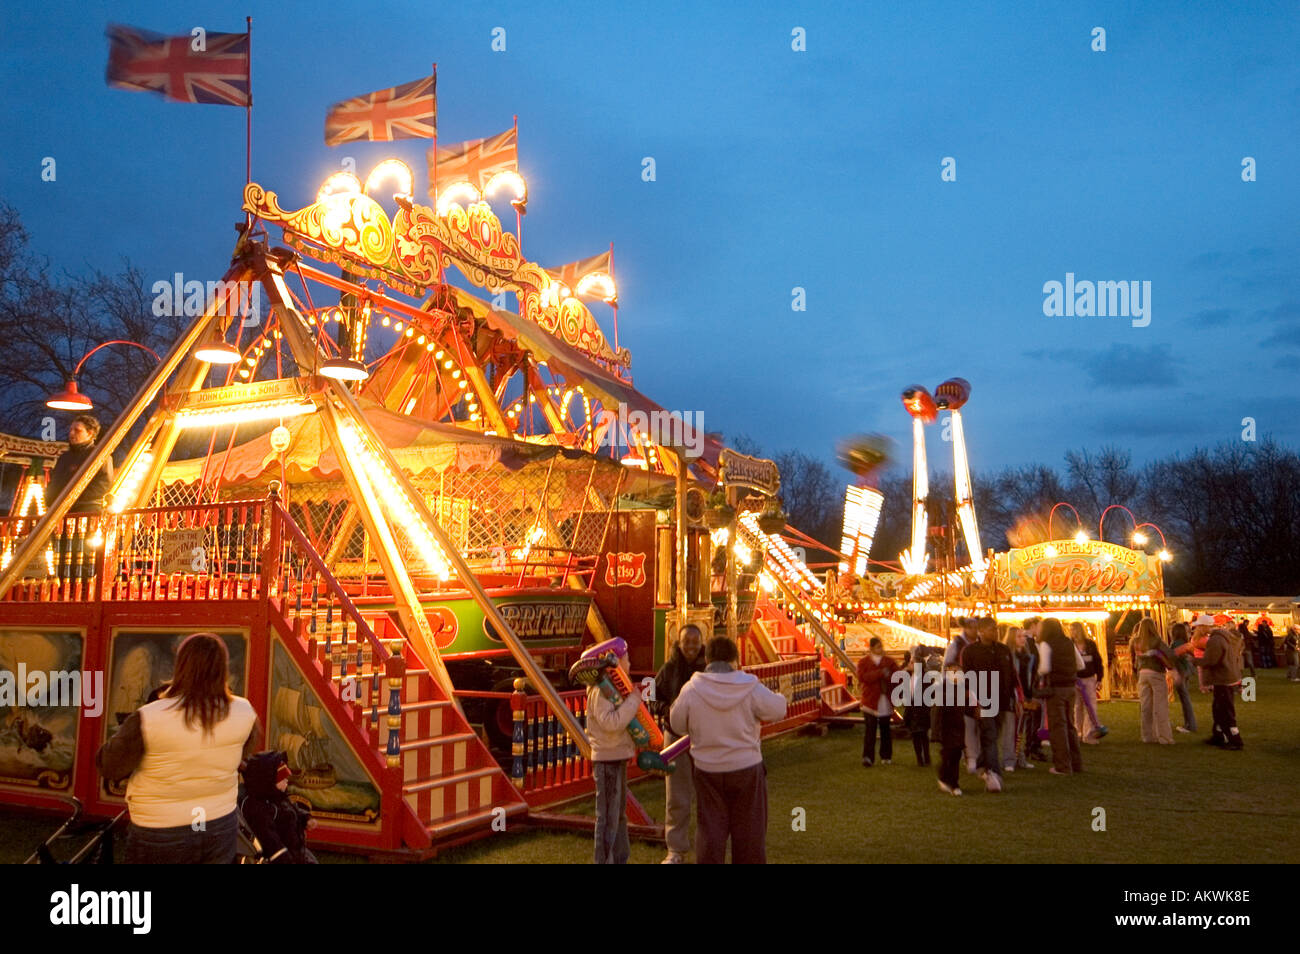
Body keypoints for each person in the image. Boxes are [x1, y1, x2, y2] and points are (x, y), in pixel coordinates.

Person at [96, 633, 260, 863]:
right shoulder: (245, 712)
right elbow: (240, 755)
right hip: (216, 822)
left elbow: (110, 766)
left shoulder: (150, 716)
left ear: (181, 666)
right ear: (222, 668)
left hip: (162, 827)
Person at [669, 635, 787, 864]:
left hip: (708, 768)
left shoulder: (693, 689)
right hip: (746, 766)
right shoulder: (749, 685)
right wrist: (782, 695)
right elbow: (777, 709)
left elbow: (676, 723)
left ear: (707, 658)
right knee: (749, 833)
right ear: (735, 658)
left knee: (711, 831)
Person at [651, 624, 706, 864]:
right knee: (677, 795)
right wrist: (666, 710)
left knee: (709, 794)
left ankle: (709, 846)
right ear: (679, 643)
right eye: (687, 643)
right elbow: (651, 697)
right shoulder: (668, 669)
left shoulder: (708, 670)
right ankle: (676, 849)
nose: (691, 648)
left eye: (695, 642)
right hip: (675, 737)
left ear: (701, 643)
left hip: (705, 738)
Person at [585, 641, 643, 864]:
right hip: (607, 759)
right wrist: (634, 701)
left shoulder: (611, 688)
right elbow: (611, 723)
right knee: (607, 816)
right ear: (614, 663)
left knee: (618, 815)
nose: (629, 663)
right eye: (626, 659)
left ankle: (619, 858)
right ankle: (604, 859)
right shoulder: (600, 690)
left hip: (616, 756)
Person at [960, 617, 1015, 792]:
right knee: (990, 735)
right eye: (992, 629)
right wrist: (974, 701)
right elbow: (967, 678)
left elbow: (1011, 675)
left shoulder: (1003, 650)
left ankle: (982, 764)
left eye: (996, 628)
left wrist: (1016, 698)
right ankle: (993, 773)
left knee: (992, 735)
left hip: (1003, 700)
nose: (995, 632)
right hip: (983, 701)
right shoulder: (970, 652)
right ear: (982, 631)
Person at [1037, 617, 1084, 776]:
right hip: (1070, 687)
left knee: (1058, 727)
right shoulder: (1069, 643)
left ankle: (1062, 765)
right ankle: (1076, 763)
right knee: (1070, 725)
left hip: (1055, 688)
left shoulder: (1046, 644)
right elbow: (1081, 665)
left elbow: (1044, 668)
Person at [45, 414, 115, 513]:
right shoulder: (64, 457)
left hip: (85, 511)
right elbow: (55, 481)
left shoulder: (100, 455)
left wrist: (76, 497)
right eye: (71, 430)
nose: (72, 433)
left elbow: (104, 484)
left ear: (90, 433)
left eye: (77, 430)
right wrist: (49, 497)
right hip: (58, 511)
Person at [1195, 625, 1244, 750]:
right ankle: (1219, 735)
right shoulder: (1224, 637)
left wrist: (1194, 660)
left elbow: (1211, 660)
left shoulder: (1215, 640)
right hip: (1226, 678)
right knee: (1218, 709)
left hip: (1222, 679)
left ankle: (1235, 740)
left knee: (1225, 710)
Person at [943, 618, 980, 774]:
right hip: (961, 689)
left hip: (980, 686)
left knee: (980, 723)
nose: (975, 631)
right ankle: (971, 757)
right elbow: (947, 667)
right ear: (966, 628)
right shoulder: (956, 646)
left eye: (976, 628)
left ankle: (977, 756)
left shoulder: (979, 644)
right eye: (972, 628)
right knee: (968, 723)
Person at [856, 636, 900, 767]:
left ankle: (886, 755)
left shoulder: (889, 661)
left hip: (884, 699)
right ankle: (868, 756)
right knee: (870, 729)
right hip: (870, 699)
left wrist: (889, 677)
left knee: (885, 728)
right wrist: (880, 673)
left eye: (881, 647)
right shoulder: (864, 662)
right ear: (872, 648)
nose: (880, 649)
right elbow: (862, 677)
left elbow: (897, 676)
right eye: (878, 647)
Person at [1130, 618, 1174, 745]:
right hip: (1156, 672)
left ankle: (1147, 736)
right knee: (1160, 706)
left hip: (1142, 673)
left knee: (1145, 706)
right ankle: (1164, 737)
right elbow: (1169, 654)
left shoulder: (1136, 642)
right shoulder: (1156, 641)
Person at [1070, 621, 1108, 744]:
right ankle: (1078, 733)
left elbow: (1098, 661)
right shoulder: (1070, 646)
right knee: (1077, 707)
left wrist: (1099, 678)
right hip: (1075, 680)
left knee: (1090, 706)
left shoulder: (1090, 645)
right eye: (1071, 630)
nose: (1073, 632)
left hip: (1089, 679)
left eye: (1075, 629)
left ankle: (1089, 734)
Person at [1007, 627, 1036, 771]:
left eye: (1024, 636)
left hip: (1025, 691)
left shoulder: (1026, 655)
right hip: (1014, 694)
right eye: (1019, 636)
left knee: (1021, 727)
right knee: (1013, 727)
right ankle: (1012, 758)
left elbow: (1028, 676)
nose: (1023, 639)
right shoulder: (1010, 656)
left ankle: (1019, 757)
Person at [1021, 616, 1047, 762]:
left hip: (1032, 683)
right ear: (1032, 625)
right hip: (1031, 684)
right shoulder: (1028, 643)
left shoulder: (1032, 643)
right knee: (1034, 715)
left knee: (1033, 716)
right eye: (1038, 626)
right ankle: (1032, 746)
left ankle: (1031, 745)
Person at [903, 645, 932, 767]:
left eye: (912, 662)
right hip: (912, 710)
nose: (909, 664)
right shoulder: (909, 677)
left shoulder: (925, 677)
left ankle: (926, 756)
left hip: (922, 710)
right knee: (915, 735)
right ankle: (919, 758)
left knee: (923, 734)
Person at [1167, 621, 1199, 733]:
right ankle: (1189, 723)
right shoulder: (1185, 643)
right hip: (1186, 671)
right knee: (1185, 698)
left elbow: (1172, 657)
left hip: (1180, 672)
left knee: (1185, 699)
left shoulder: (1176, 644)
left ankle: (1190, 724)